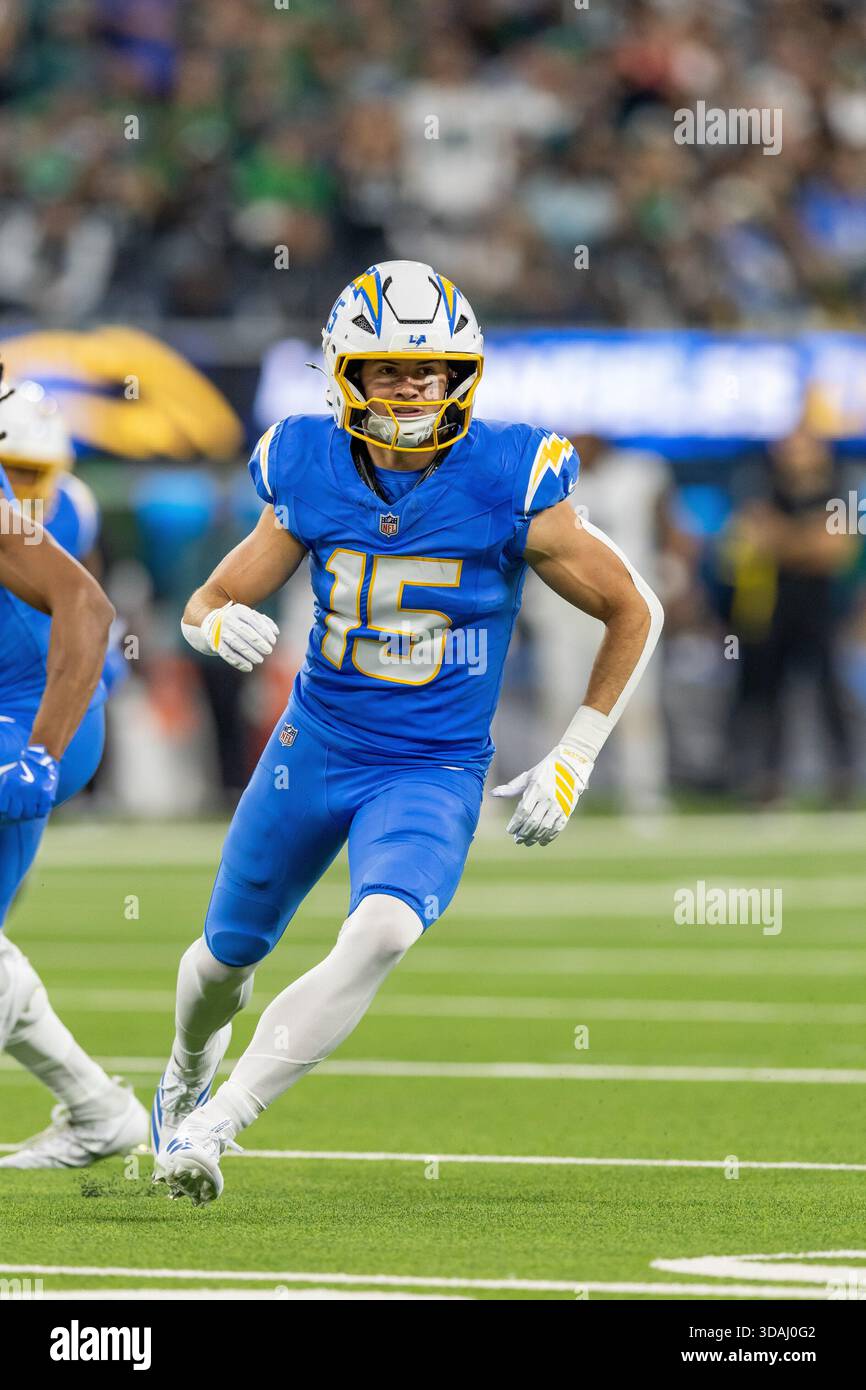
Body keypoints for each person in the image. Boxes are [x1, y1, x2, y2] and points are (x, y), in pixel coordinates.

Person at [153, 261, 664, 1206]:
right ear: (345, 373)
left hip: (430, 765)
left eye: (431, 372)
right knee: (225, 959)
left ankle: (217, 1121)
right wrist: (212, 625)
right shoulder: (305, 461)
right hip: (316, 744)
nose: (415, 388)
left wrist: (574, 757)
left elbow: (636, 609)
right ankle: (186, 1068)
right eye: (390, 370)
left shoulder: (510, 473)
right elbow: (210, 598)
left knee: (384, 928)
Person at [0, 375, 147, 1169]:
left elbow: (84, 606)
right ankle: (99, 1111)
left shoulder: (57, 507)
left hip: (32, 719)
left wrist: (39, 752)